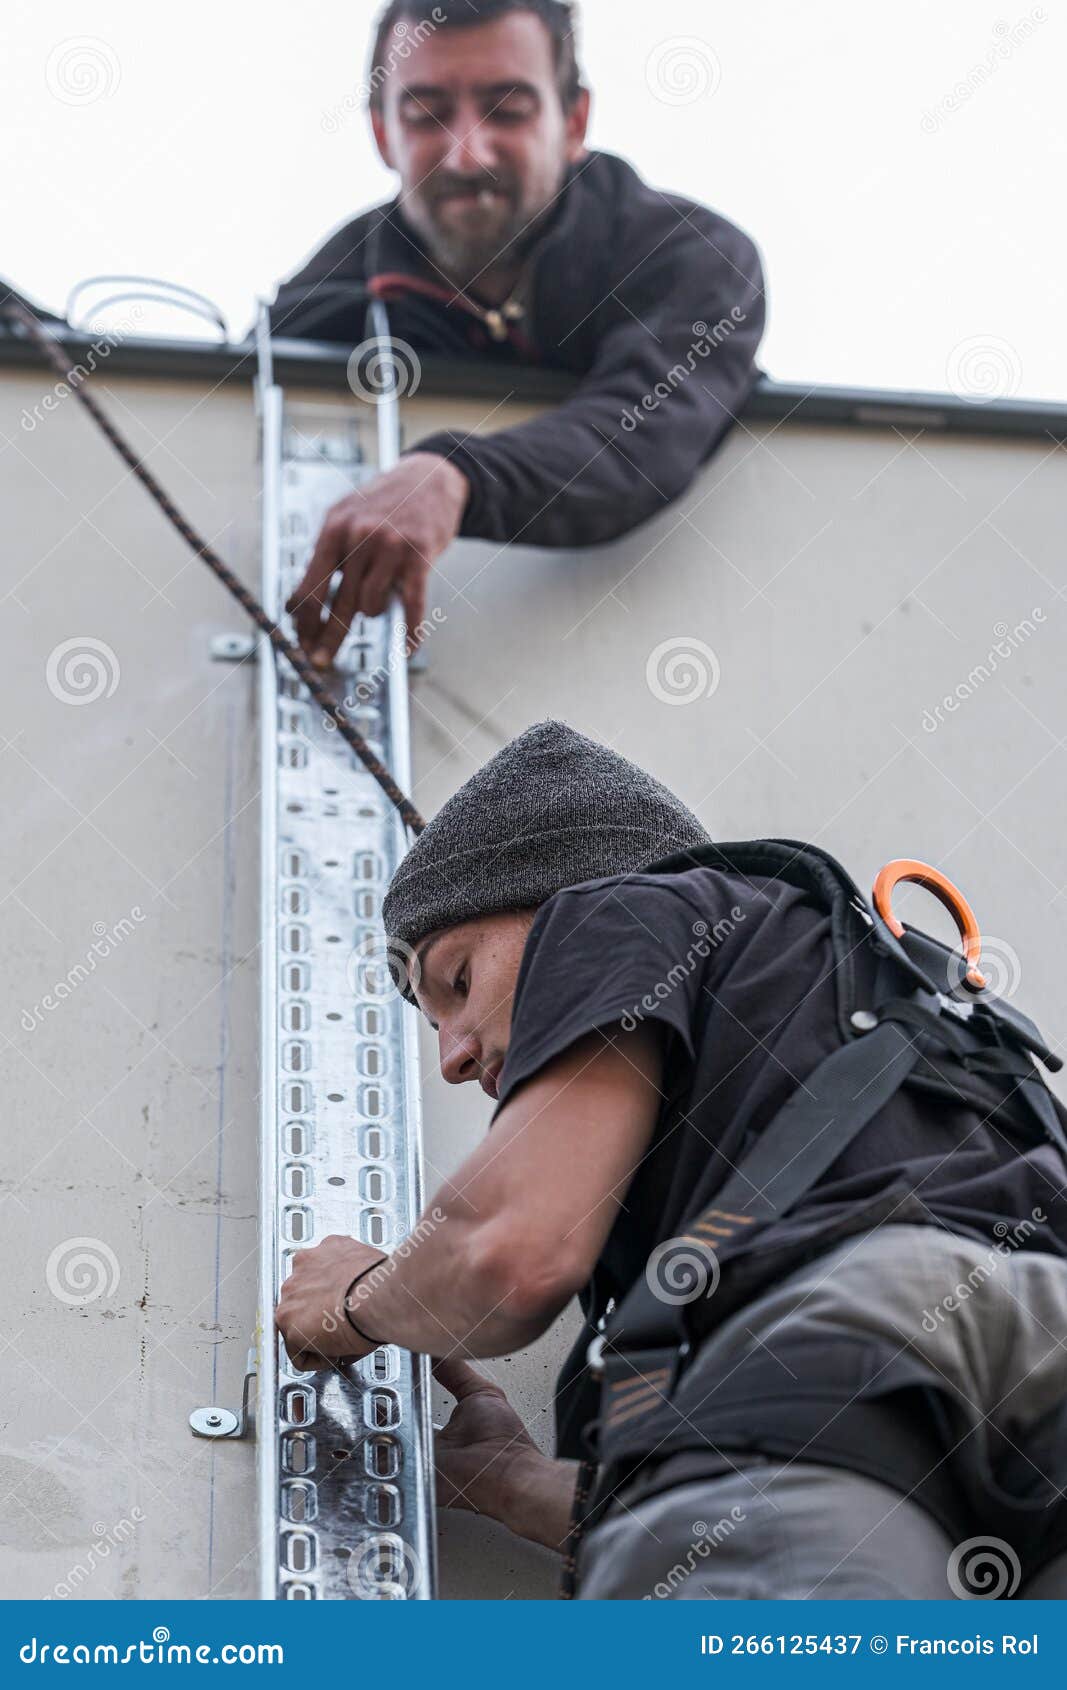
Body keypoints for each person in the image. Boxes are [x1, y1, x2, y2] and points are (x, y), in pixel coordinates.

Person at [275, 720, 1067, 1600]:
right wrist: (510, 1485)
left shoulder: (616, 907)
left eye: (456, 982)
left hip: (861, 1334)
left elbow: (508, 1254)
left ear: (559, 897)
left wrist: (352, 1302)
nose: (452, 1056)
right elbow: (799, 1477)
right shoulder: (844, 1031)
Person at [269, 0, 766, 668]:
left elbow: (646, 427)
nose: (467, 154)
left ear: (574, 121)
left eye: (506, 111)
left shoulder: (688, 256)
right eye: (425, 114)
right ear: (383, 136)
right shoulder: (320, 300)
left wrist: (452, 476)